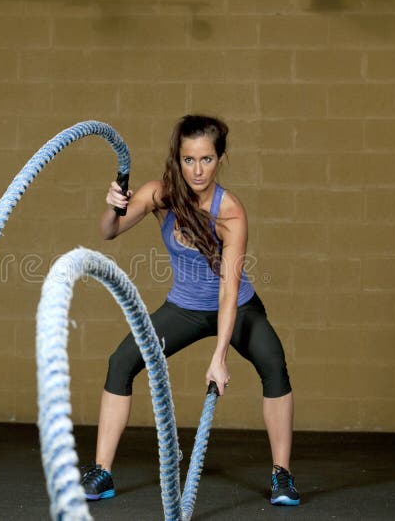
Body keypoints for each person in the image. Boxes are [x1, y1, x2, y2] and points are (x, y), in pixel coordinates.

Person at [79, 115, 300, 507]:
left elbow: (229, 291)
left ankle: (282, 475)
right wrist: (113, 207)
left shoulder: (230, 211)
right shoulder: (158, 194)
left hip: (237, 307)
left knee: (273, 363)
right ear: (177, 160)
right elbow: (108, 232)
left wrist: (220, 358)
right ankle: (101, 473)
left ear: (220, 158)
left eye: (207, 159)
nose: (198, 170)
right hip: (185, 308)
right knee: (121, 361)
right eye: (189, 160)